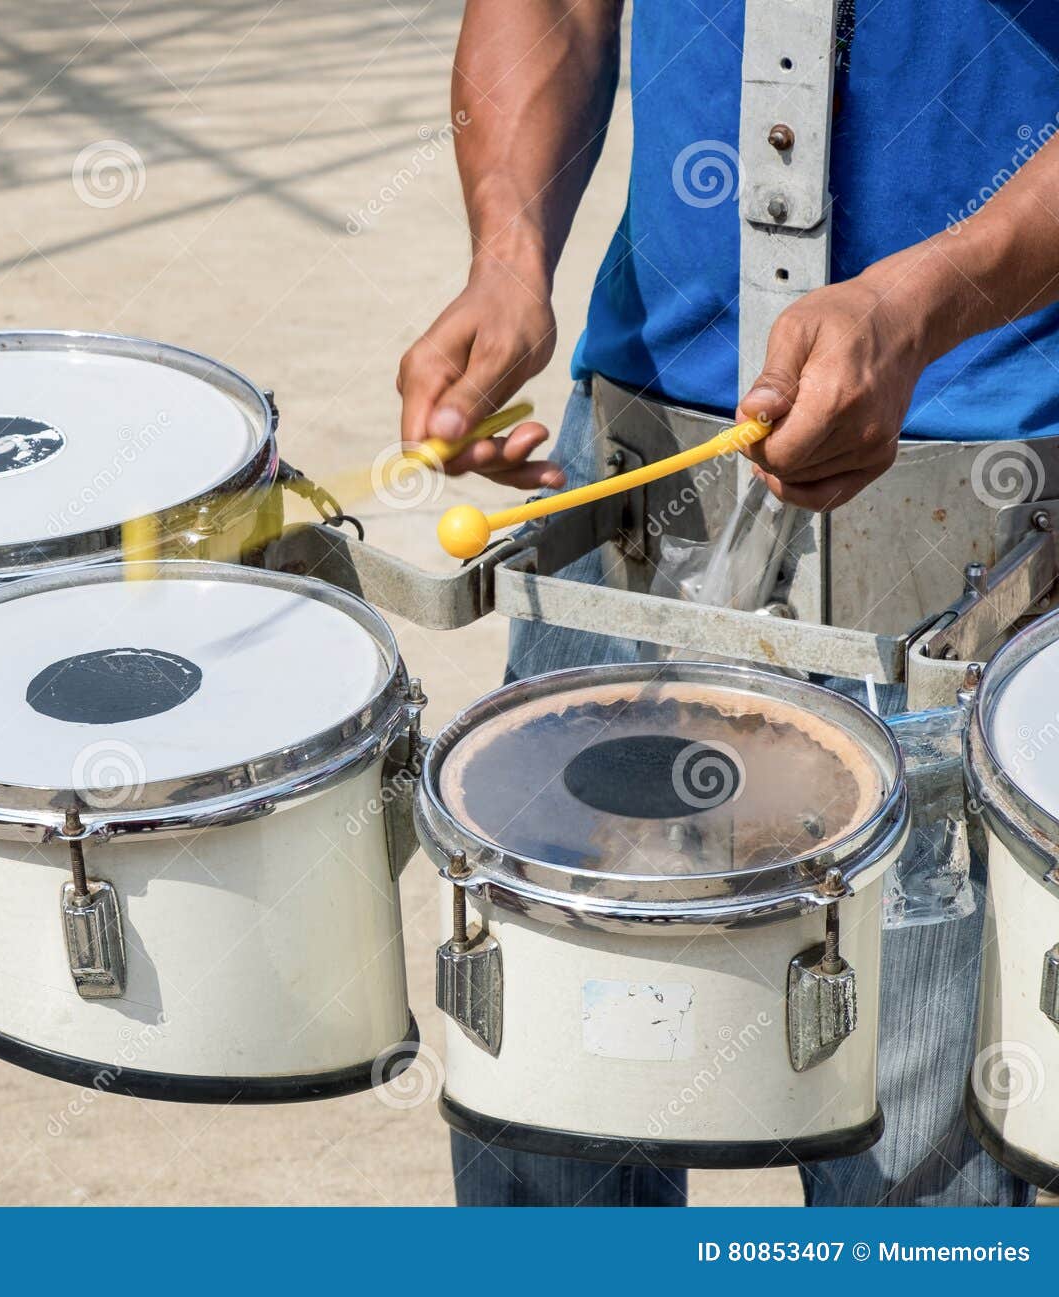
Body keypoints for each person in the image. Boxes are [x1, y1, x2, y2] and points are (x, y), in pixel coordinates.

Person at [398, 1, 1059, 1208]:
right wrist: (507, 255)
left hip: (973, 524)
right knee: (551, 1143)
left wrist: (927, 300)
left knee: (912, 1193)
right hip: (639, 479)